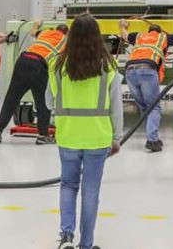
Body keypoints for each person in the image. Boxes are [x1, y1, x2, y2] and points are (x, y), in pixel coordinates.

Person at [48, 14, 123, 249]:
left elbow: (50, 102)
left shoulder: (57, 66)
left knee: (68, 185)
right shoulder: (108, 68)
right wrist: (117, 138)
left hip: (68, 135)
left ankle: (66, 237)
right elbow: (116, 108)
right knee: (90, 192)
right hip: (97, 139)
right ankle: (86, 244)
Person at [0, 21, 68, 145]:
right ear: (66, 32)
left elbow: (33, 33)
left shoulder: (45, 32)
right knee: (43, 103)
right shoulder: (65, 40)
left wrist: (36, 24)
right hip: (39, 66)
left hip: (23, 60)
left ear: (55, 28)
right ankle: (42, 136)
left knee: (11, 99)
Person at [118, 20, 173, 152]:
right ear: (160, 31)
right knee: (153, 107)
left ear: (149, 31)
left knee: (145, 107)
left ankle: (152, 136)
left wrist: (123, 25)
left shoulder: (139, 36)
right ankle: (152, 140)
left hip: (129, 72)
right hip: (147, 70)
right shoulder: (164, 37)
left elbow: (124, 35)